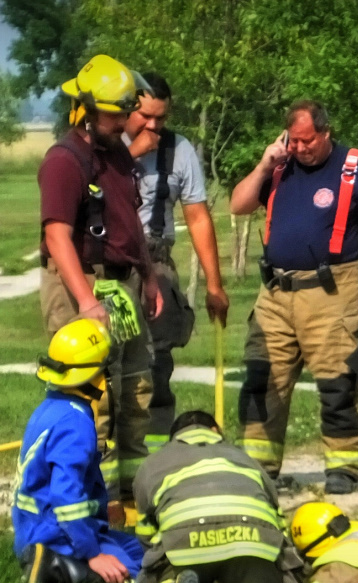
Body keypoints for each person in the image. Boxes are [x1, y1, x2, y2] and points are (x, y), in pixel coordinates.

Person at [230, 100, 358, 495]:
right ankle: (258, 468)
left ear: (325, 132)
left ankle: (344, 467)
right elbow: (238, 204)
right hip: (276, 292)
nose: (301, 148)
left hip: (333, 291)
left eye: (308, 140)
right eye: (294, 140)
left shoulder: (353, 165)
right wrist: (265, 164)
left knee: (338, 383)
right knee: (260, 378)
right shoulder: (278, 166)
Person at [38, 54, 164, 526]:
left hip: (123, 284)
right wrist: (87, 302)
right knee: (95, 402)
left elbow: (129, 223)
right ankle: (93, 503)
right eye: (116, 112)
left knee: (135, 393)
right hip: (83, 288)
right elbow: (56, 236)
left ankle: (132, 499)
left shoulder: (116, 155)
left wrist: (148, 276)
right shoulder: (64, 161)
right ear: (86, 110)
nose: (125, 120)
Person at [124, 73, 230, 454]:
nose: (153, 126)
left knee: (157, 364)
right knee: (111, 366)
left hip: (156, 261)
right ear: (126, 108)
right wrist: (131, 153)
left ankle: (153, 456)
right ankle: (106, 455)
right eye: (145, 116)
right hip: (111, 266)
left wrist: (215, 285)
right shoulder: (103, 145)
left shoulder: (179, 149)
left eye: (161, 119)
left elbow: (198, 217)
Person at [132, 410, 308, 583]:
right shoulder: (246, 458)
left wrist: (157, 567)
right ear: (215, 431)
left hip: (184, 547)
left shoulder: (153, 463)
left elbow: (146, 534)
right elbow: (277, 521)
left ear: (174, 438)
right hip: (250, 543)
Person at [12, 319, 143, 583]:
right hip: (56, 534)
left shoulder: (53, 407)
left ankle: (55, 560)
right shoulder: (76, 424)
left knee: (140, 551)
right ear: (96, 377)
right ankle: (58, 567)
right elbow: (66, 498)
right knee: (134, 576)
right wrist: (93, 553)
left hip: (36, 527)